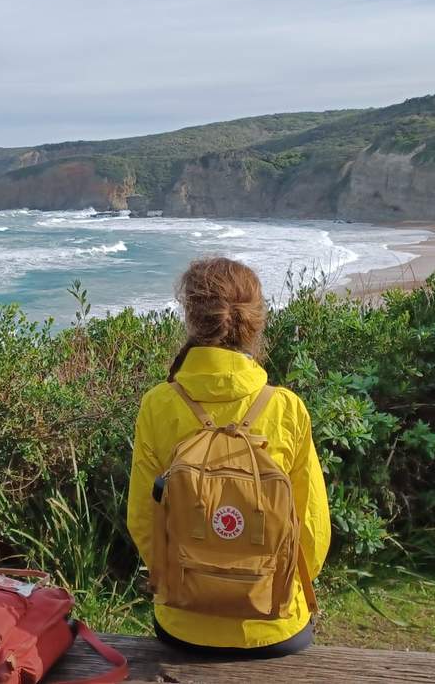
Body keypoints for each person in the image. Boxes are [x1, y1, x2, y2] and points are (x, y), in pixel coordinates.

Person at [126, 257, 332, 657]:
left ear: (190, 316)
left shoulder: (159, 404)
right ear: (256, 321)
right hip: (274, 625)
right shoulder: (286, 408)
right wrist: (276, 589)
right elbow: (312, 528)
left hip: (182, 623)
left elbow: (142, 518)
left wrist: (176, 583)